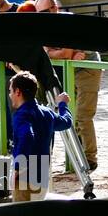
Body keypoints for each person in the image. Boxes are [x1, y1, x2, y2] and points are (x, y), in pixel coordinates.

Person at [36, 0, 99, 171]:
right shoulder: (43, 27)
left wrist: (57, 53)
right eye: (39, 13)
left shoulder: (68, 22)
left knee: (83, 116)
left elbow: (65, 53)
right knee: (70, 115)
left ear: (55, 8)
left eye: (46, 12)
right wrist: (57, 53)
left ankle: (89, 159)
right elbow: (50, 52)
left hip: (87, 67)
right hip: (70, 69)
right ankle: (76, 158)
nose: (42, 16)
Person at [8, 70, 72, 202]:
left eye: (10, 91)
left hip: (25, 178)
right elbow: (66, 122)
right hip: (42, 176)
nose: (9, 95)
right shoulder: (47, 113)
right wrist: (62, 104)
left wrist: (18, 169)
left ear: (18, 92)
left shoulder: (21, 115)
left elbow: (27, 136)